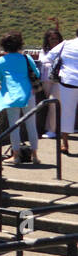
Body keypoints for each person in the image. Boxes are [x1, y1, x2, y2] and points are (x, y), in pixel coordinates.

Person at [0, 33, 41, 164]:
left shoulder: (1, 60)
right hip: (28, 94)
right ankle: (35, 155)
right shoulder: (26, 57)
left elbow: (0, 77)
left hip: (11, 96)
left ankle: (16, 155)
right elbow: (36, 73)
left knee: (14, 126)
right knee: (31, 125)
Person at [42, 27, 78, 159]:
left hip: (68, 81)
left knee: (67, 112)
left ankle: (65, 144)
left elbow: (47, 58)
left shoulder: (66, 44)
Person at [39, 29, 64, 142]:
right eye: (52, 38)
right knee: (50, 105)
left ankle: (52, 130)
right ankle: (52, 128)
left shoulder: (63, 50)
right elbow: (41, 63)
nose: (55, 41)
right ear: (47, 40)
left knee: (53, 102)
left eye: (57, 38)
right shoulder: (43, 51)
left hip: (58, 80)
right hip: (45, 81)